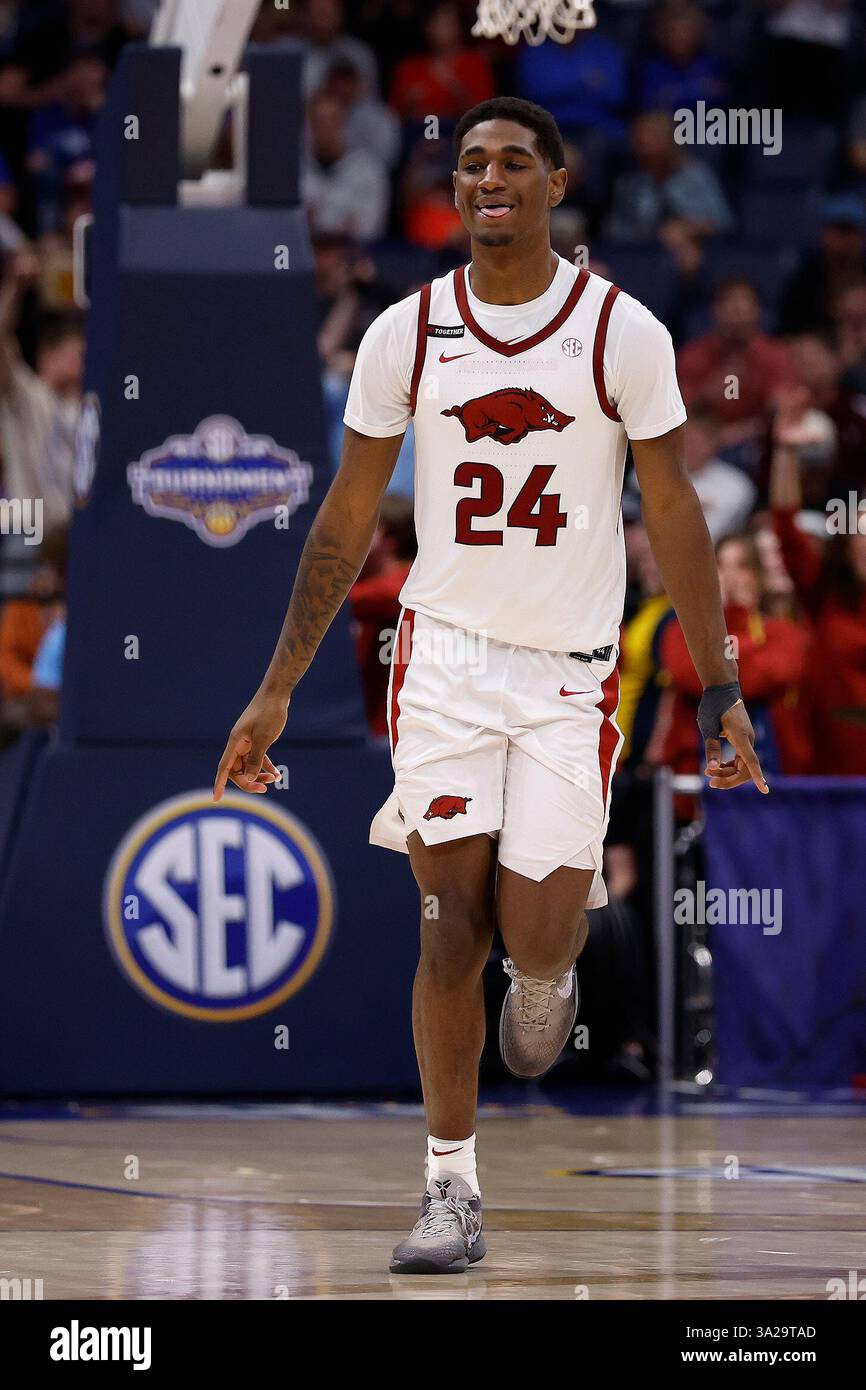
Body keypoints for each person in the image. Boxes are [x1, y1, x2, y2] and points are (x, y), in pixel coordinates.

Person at [214, 96, 766, 1276]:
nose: (488, 178)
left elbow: (670, 512)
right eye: (469, 164)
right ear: (452, 189)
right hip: (446, 664)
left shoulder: (622, 331)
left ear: (557, 184)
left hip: (570, 673)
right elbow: (347, 519)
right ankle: (450, 1188)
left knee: (532, 931)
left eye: (514, 160)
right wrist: (274, 691)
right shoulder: (403, 334)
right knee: (446, 924)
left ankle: (552, 966)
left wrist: (719, 689)